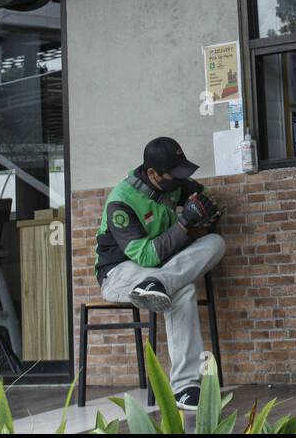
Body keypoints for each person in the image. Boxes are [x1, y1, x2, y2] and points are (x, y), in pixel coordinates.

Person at [95, 136, 225, 410]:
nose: (180, 180)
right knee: (184, 289)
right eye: (174, 175)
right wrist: (185, 222)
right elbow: (145, 255)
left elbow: (200, 199)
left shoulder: (174, 185)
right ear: (152, 173)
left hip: (160, 272)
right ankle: (187, 387)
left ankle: (159, 283)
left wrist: (207, 217)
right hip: (119, 273)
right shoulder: (121, 202)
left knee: (216, 244)